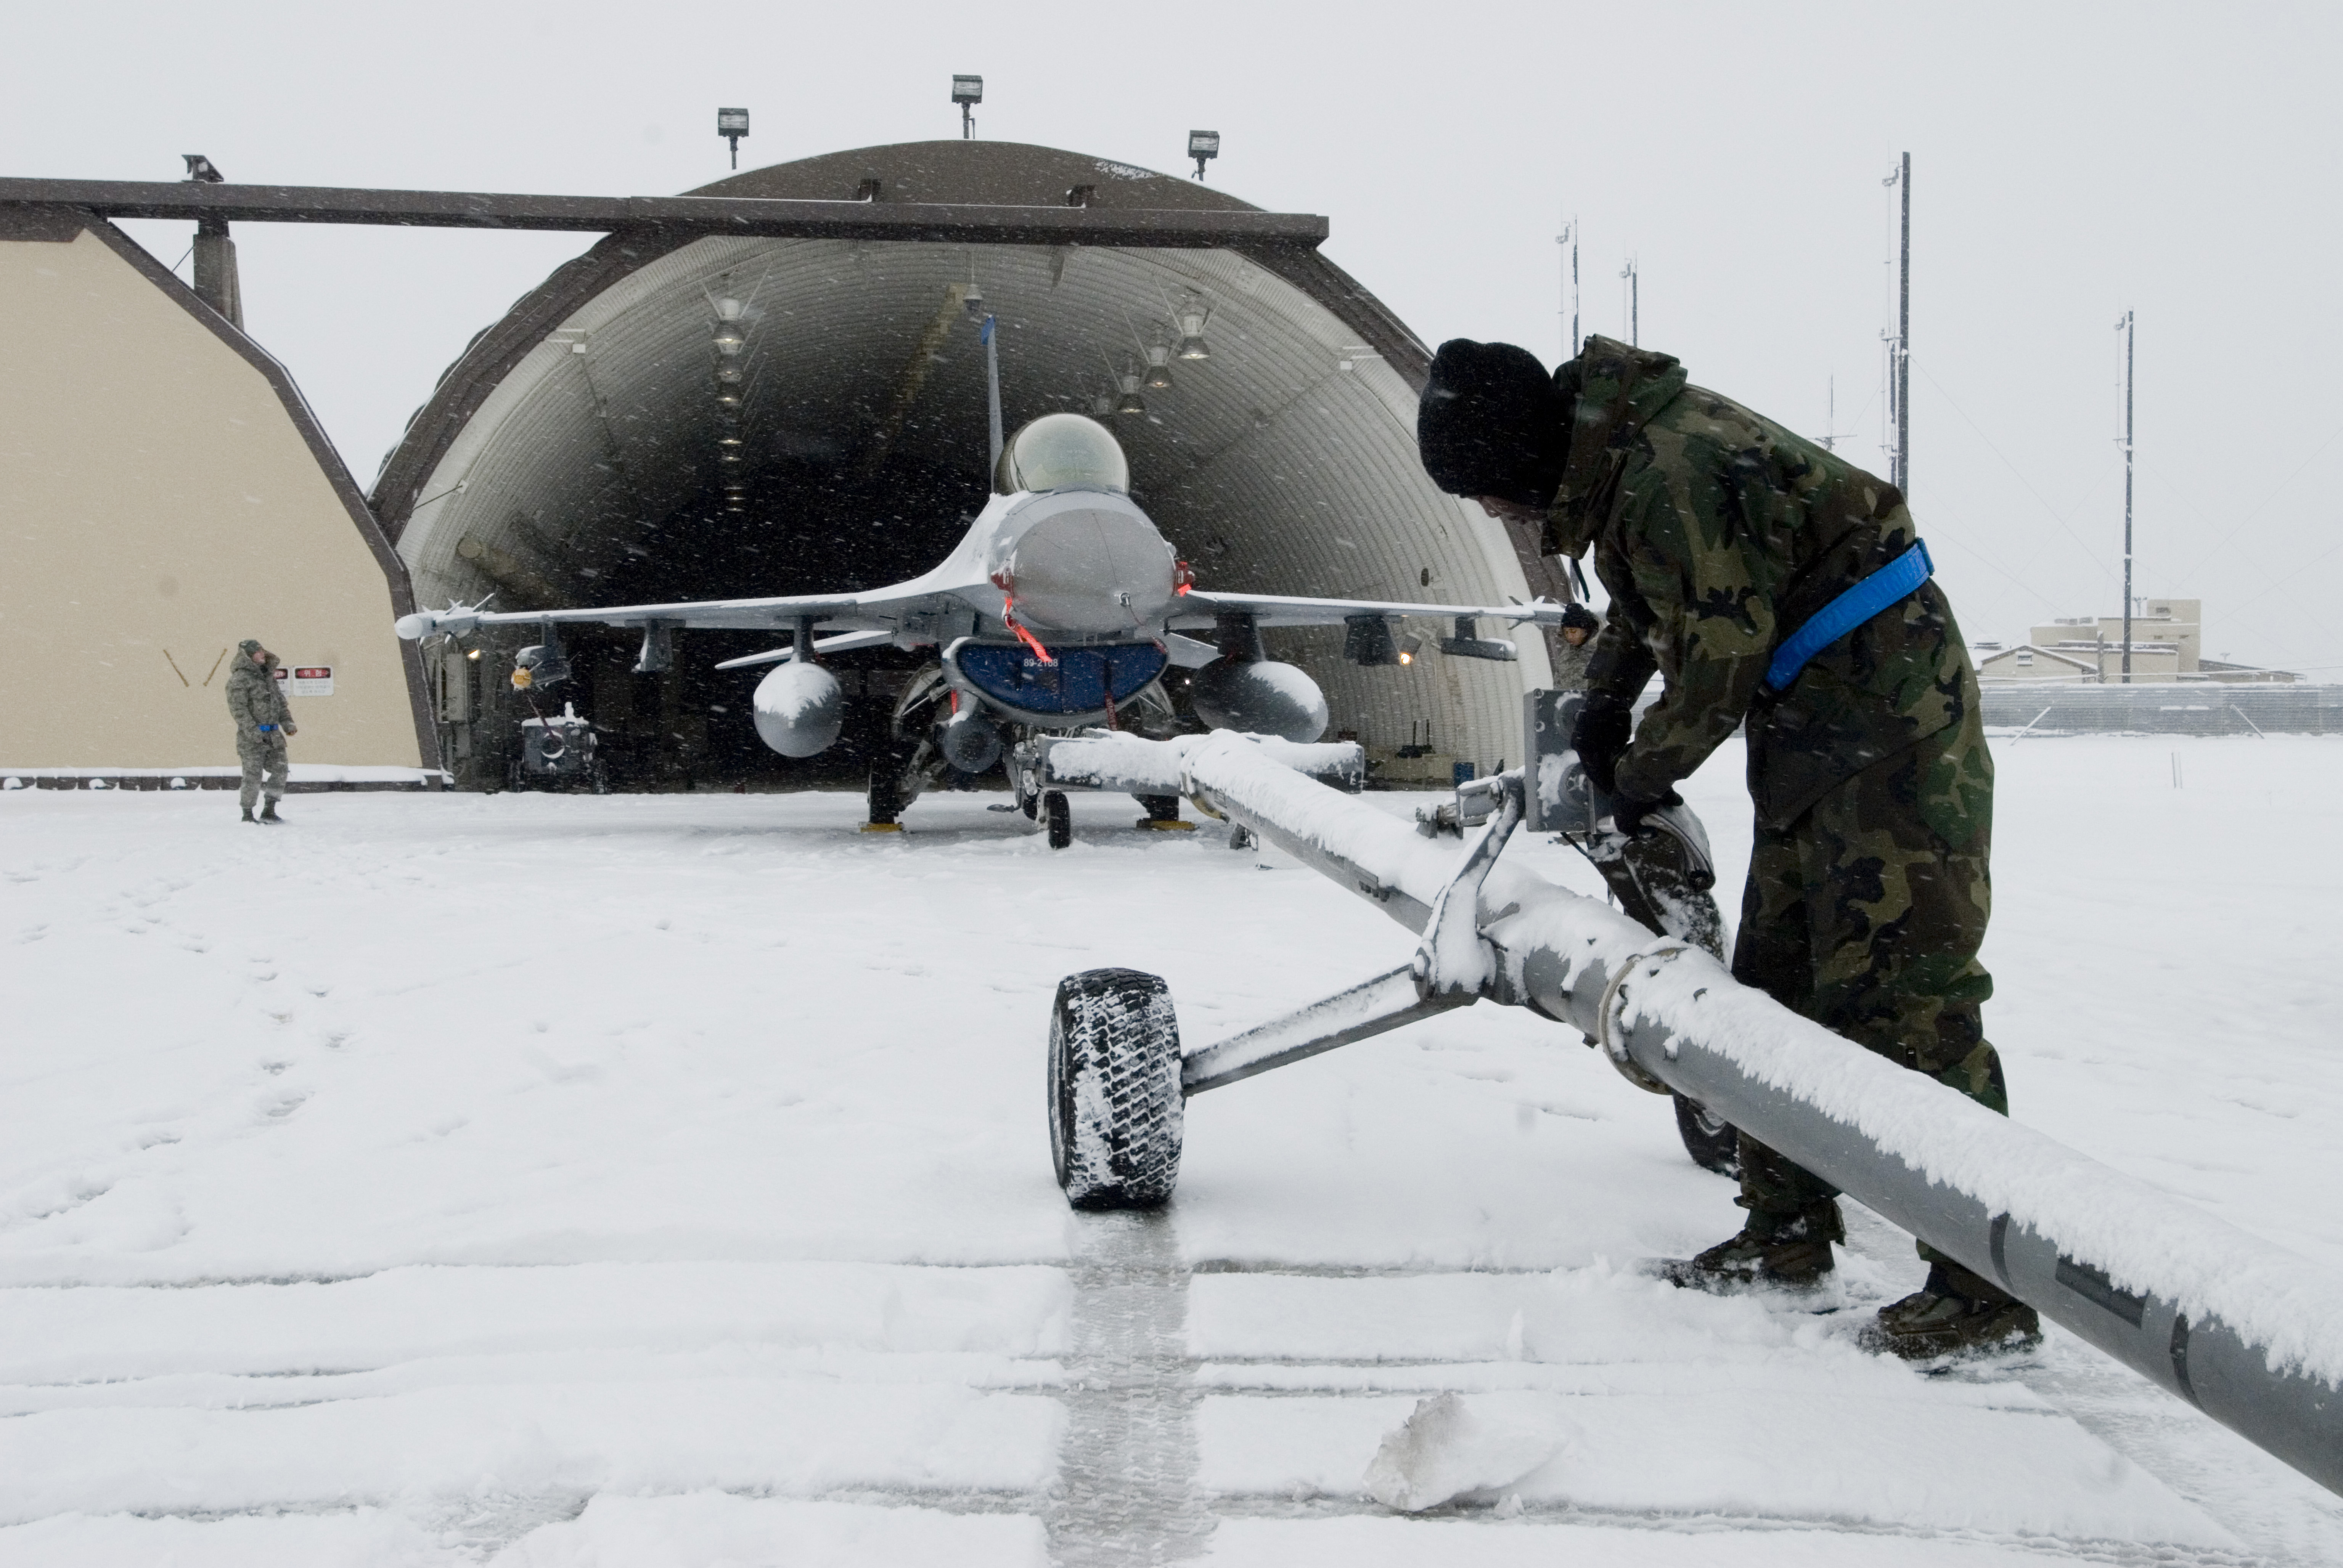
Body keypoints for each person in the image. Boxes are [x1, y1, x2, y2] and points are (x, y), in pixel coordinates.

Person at [1416, 335, 2036, 1359]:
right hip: (1816, 728)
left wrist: (1638, 774)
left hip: (1892, 726)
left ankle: (1983, 1292)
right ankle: (1785, 1234)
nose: (1493, 514)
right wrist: (1604, 698)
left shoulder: (1669, 468)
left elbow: (1719, 664)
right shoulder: (1627, 464)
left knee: (1905, 997)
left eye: (1486, 493)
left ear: (1518, 456)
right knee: (1772, 989)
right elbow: (1651, 601)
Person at [225, 639, 296, 823]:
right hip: (252, 739)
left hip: (274, 736)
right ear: (248, 656)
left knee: (281, 771)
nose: (262, 654)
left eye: (262, 650)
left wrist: (288, 724)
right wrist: (255, 733)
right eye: (258, 652)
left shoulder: (268, 678)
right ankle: (248, 814)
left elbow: (280, 704)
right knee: (253, 777)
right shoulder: (239, 680)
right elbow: (239, 711)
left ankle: (269, 810)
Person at [1552, 601, 1600, 689]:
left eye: (1574, 632)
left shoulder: (1602, 651)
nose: (1570, 636)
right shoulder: (1566, 653)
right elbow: (1558, 686)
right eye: (1566, 632)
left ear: (1586, 631)